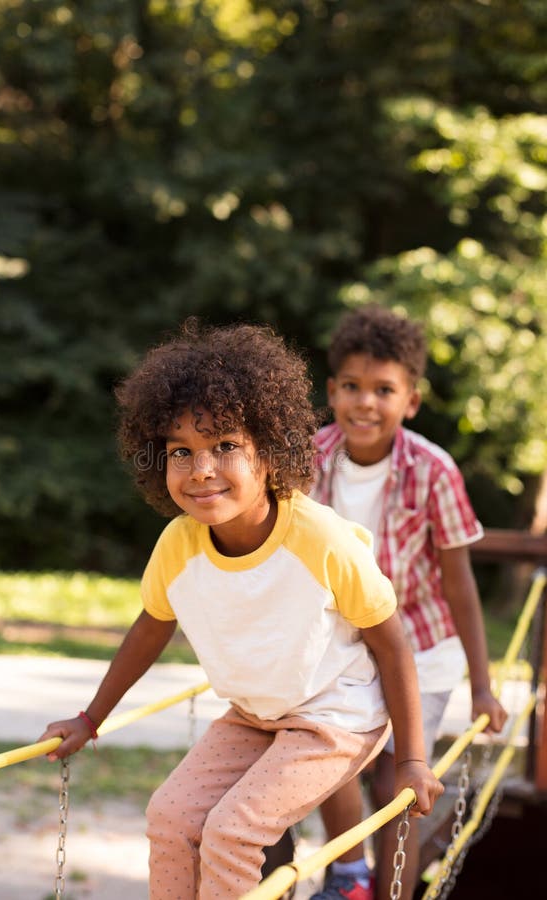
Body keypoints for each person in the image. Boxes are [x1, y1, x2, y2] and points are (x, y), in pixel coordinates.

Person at [39, 318, 443, 900]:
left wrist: (411, 760)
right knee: (170, 816)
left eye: (225, 446)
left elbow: (391, 644)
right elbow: (151, 627)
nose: (202, 469)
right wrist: (90, 717)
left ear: (271, 453)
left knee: (232, 829)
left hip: (335, 719)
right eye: (182, 451)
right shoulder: (179, 544)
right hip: (255, 715)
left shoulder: (320, 540)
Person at [309, 305, 507, 900]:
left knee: (400, 784)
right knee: (328, 750)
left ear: (410, 401)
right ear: (332, 392)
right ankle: (351, 877)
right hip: (341, 646)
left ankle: (393, 894)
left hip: (420, 646)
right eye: (352, 387)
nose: (365, 403)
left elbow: (460, 586)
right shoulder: (309, 461)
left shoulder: (434, 472)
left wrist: (482, 684)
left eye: (383, 390)